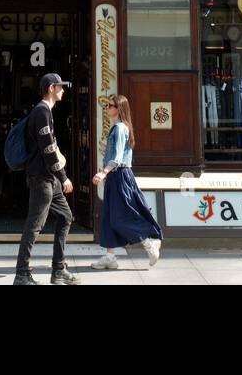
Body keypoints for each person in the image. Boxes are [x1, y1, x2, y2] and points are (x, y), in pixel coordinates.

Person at [14, 73, 79, 286]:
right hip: (43, 179)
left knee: (65, 217)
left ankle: (58, 269)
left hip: (50, 179)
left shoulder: (46, 112)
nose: (63, 90)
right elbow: (48, 150)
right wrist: (64, 177)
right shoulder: (41, 112)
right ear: (51, 88)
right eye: (60, 87)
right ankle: (22, 274)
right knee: (34, 225)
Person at [91, 95, 162, 270]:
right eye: (107, 105)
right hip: (116, 176)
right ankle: (110, 256)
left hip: (119, 175)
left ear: (119, 108)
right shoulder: (119, 127)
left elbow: (116, 157)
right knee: (109, 216)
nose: (107, 108)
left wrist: (103, 173)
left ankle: (148, 242)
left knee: (120, 216)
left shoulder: (119, 128)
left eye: (110, 105)